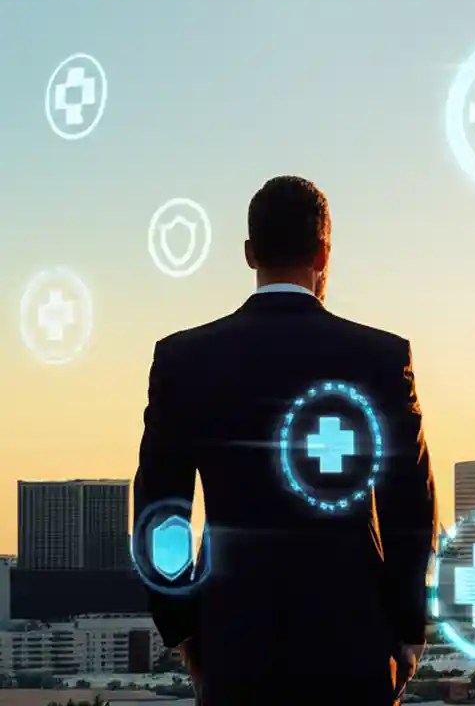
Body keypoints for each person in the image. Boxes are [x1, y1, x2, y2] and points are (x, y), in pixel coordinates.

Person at [133, 176, 436, 705]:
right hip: (355, 642)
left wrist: (184, 629)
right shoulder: (381, 358)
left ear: (250, 254)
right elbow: (411, 504)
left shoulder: (185, 361)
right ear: (324, 253)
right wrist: (407, 629)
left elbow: (161, 511)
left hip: (233, 641)